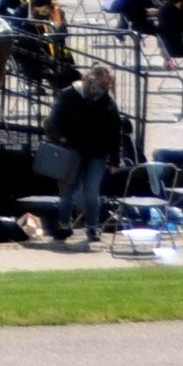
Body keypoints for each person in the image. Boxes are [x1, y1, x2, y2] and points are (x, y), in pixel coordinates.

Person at [45, 66, 126, 246]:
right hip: (72, 151)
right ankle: (64, 225)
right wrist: (60, 137)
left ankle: (92, 228)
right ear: (90, 79)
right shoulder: (69, 95)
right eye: (101, 85)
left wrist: (114, 159)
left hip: (97, 154)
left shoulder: (108, 102)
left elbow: (114, 133)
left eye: (106, 86)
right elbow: (53, 119)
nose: (101, 90)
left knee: (92, 192)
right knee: (67, 192)